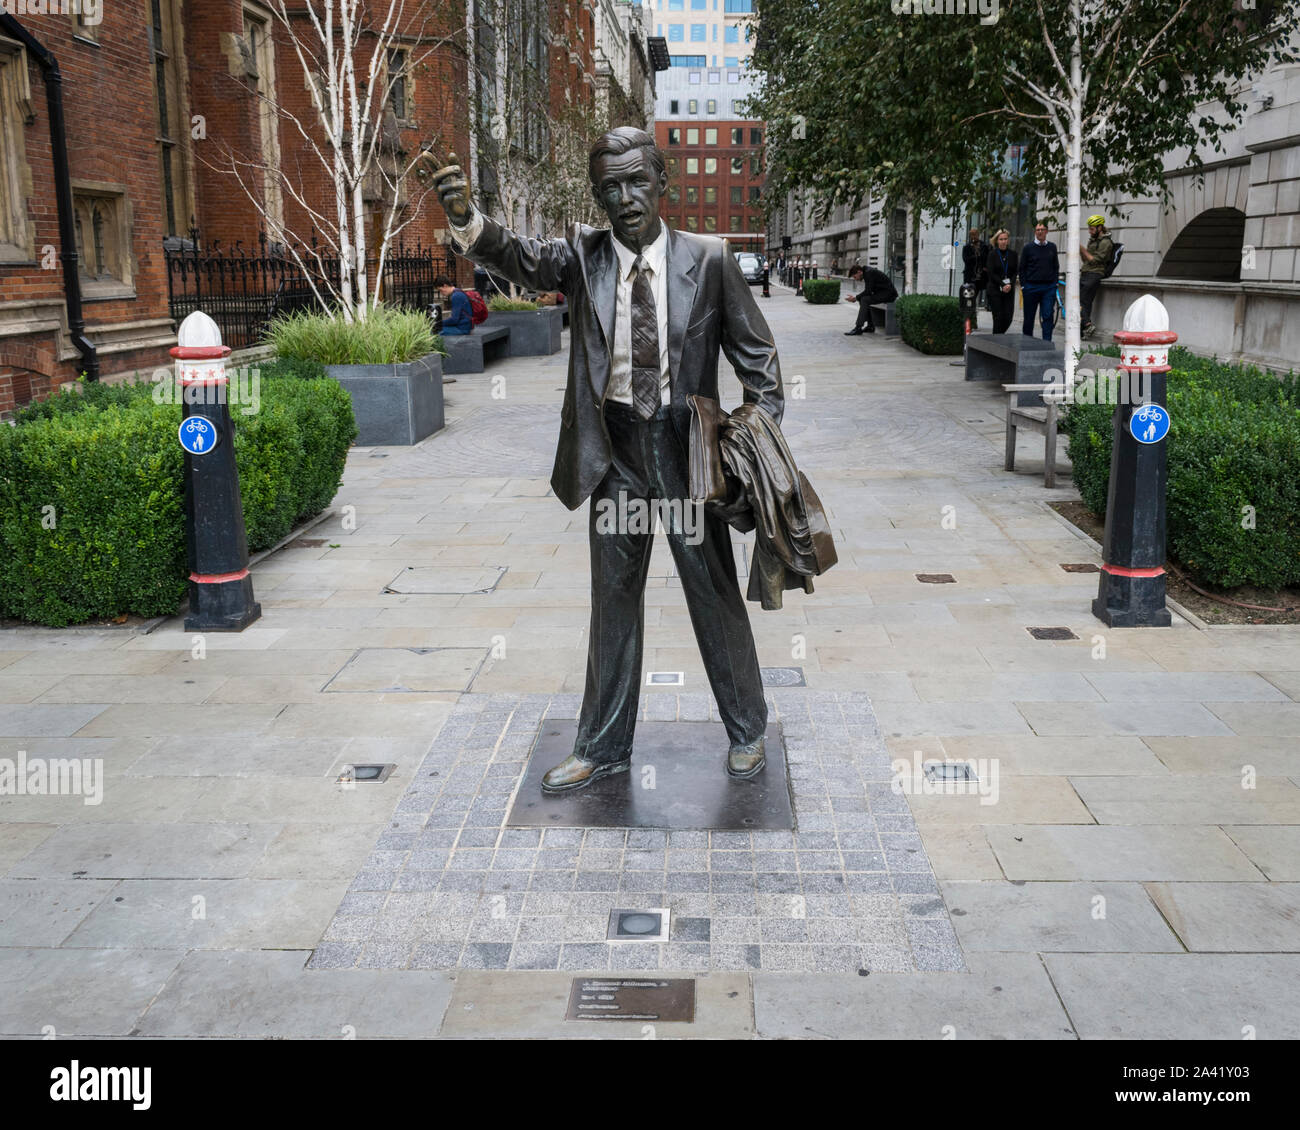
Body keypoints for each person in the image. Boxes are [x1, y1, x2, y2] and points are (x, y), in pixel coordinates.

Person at [432, 128, 781, 792]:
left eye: (637, 182)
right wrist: (466, 221)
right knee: (613, 600)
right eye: (611, 187)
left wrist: (749, 442)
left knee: (712, 594)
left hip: (686, 454)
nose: (626, 198)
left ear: (662, 184)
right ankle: (602, 744)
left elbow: (759, 363)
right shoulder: (582, 257)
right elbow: (518, 256)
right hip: (617, 453)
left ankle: (747, 729)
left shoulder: (709, 261)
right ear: (597, 195)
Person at [1019, 221, 1059, 340]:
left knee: (1047, 316)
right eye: (1037, 230)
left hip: (1048, 288)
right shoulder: (1028, 248)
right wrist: (1023, 286)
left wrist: (1055, 283)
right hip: (1031, 287)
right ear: (1035, 232)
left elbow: (1055, 266)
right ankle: (1027, 343)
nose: (1040, 232)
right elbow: (1022, 268)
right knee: (1029, 318)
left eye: (1042, 229)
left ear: (1047, 231)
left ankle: (1046, 344)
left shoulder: (1052, 247)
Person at [1079, 214, 1114, 336]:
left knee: (1079, 301)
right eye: (1089, 228)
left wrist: (1083, 249)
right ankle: (1083, 331)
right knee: (1085, 303)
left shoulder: (1106, 242)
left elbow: (1095, 260)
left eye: (1092, 229)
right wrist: (1080, 251)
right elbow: (1086, 260)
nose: (1089, 232)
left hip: (1095, 274)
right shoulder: (1093, 240)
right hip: (1086, 271)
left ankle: (1088, 324)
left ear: (1100, 228)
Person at [844, 264, 897, 335]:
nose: (855, 279)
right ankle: (870, 326)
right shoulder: (867, 272)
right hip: (882, 293)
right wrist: (857, 298)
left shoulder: (869, 273)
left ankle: (858, 327)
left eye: (855, 276)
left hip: (889, 295)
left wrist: (855, 298)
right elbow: (868, 291)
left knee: (864, 300)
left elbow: (868, 291)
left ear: (859, 272)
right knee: (863, 299)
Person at [985, 229, 1018, 334]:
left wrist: (1009, 284)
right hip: (995, 289)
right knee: (998, 318)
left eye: (1005, 239)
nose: (1003, 241)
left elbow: (1015, 271)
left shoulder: (1013, 254)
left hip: (1009, 290)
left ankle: (998, 337)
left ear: (1008, 240)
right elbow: (991, 273)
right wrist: (1003, 284)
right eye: (1001, 239)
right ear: (997, 241)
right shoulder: (992, 254)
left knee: (1008, 318)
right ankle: (996, 342)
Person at [962, 228, 988, 309]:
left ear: (978, 235)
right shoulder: (967, 247)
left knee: (977, 292)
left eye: (975, 234)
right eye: (971, 235)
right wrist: (976, 256)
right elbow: (966, 260)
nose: (973, 236)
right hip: (970, 276)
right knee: (969, 297)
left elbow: (986, 258)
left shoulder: (984, 246)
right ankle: (969, 312)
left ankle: (984, 305)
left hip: (980, 276)